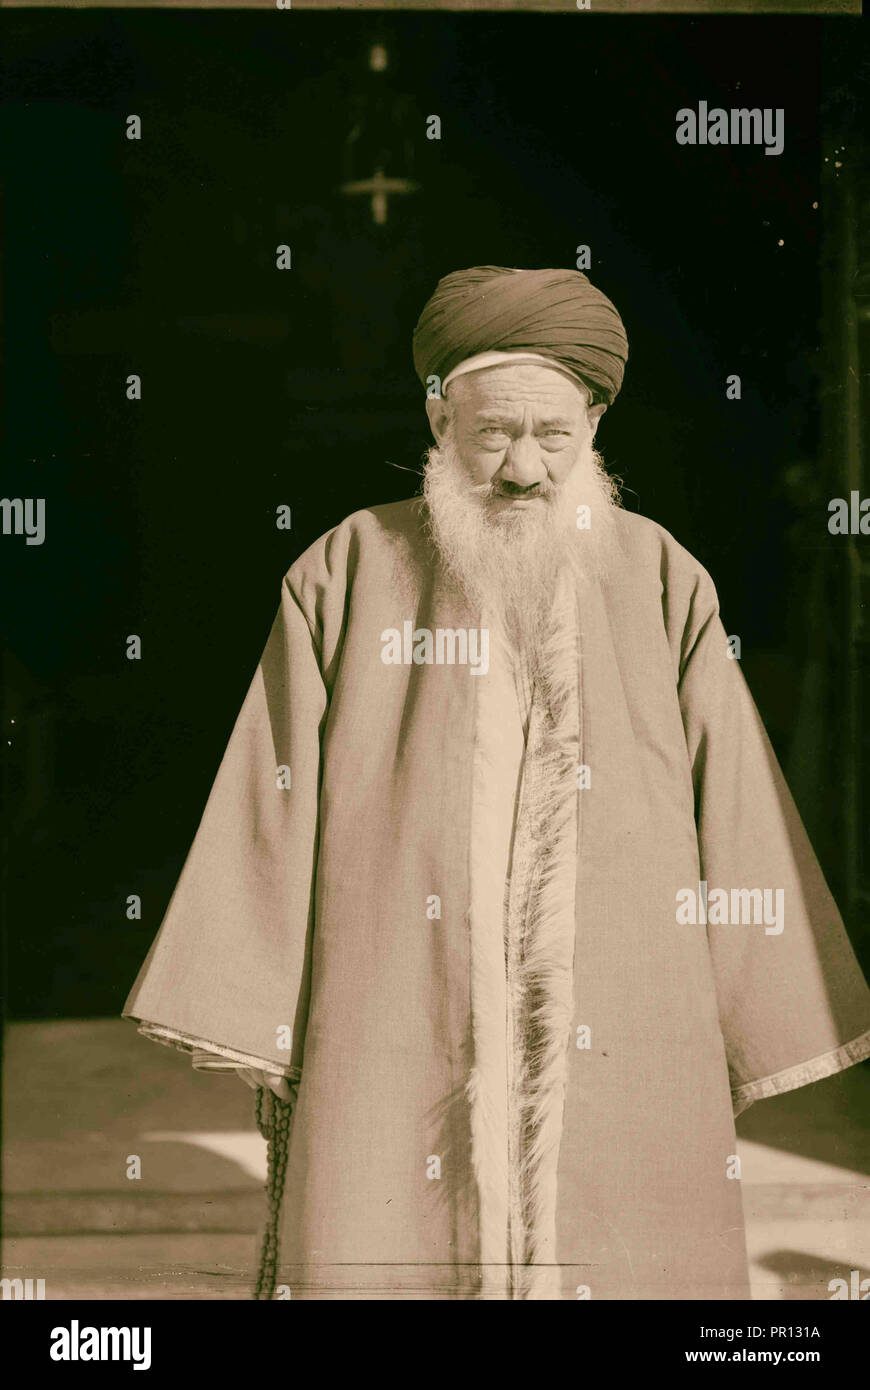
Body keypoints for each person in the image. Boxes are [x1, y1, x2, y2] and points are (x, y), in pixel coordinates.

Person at [124, 265, 870, 1300]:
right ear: (439, 417)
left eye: (553, 436)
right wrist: (265, 1014)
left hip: (628, 1009)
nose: (523, 468)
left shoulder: (663, 577)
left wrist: (749, 1001)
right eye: (493, 435)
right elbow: (271, 803)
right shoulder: (347, 568)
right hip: (397, 998)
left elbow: (737, 804)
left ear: (597, 418)